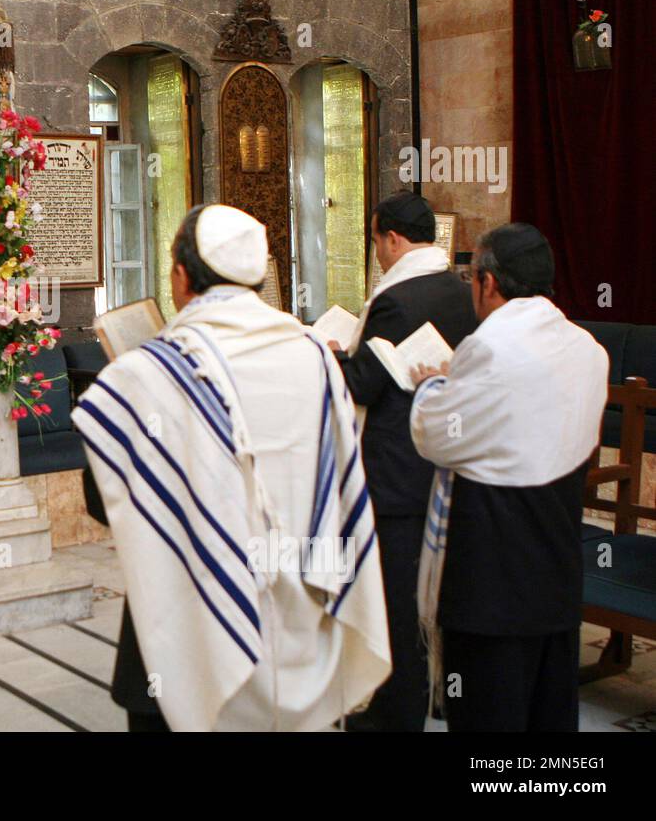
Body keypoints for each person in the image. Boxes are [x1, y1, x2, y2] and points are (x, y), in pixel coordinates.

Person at [73, 205, 391, 731]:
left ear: (179, 276)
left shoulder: (154, 371)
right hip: (298, 624)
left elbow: (102, 498)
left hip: (185, 613)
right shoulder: (313, 353)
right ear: (258, 276)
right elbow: (338, 476)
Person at [410, 223, 607, 732]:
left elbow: (436, 438)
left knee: (489, 720)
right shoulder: (588, 348)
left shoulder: (490, 347)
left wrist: (433, 387)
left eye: (470, 276)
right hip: (557, 574)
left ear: (489, 282)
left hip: (491, 584)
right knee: (548, 717)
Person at [330, 192, 478, 732]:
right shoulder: (459, 291)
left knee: (395, 599)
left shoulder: (396, 299)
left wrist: (331, 355)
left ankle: (395, 715)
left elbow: (364, 383)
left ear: (391, 239)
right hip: (444, 463)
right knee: (431, 595)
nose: (378, 255)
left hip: (396, 471)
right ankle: (436, 694)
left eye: (376, 242)